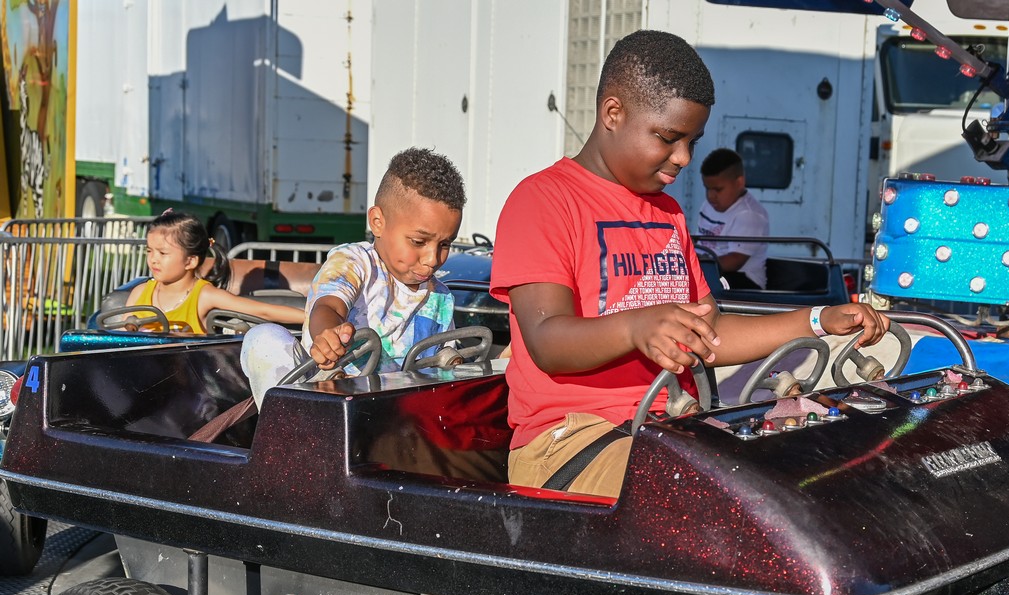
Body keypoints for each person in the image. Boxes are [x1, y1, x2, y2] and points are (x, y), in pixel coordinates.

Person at [490, 29, 889, 498]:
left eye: (692, 141)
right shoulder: (543, 199)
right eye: (667, 137)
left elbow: (710, 337)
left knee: (821, 464)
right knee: (724, 496)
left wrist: (818, 320)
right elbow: (546, 340)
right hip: (571, 442)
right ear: (613, 113)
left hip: (671, 428)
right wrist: (636, 327)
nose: (682, 158)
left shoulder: (667, 213)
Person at [241, 147, 465, 407]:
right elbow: (327, 306)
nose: (432, 258)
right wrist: (328, 333)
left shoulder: (440, 297)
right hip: (325, 400)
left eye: (445, 244)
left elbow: (444, 360)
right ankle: (288, 437)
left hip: (396, 415)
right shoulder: (354, 262)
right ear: (377, 222)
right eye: (418, 241)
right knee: (263, 339)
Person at [126, 210, 305, 334]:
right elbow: (120, 337)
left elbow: (263, 311)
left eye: (162, 253)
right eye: (149, 251)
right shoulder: (140, 292)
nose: (153, 259)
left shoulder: (204, 295)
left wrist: (315, 318)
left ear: (191, 260)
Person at [696, 147, 770, 289]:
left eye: (718, 189)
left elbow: (735, 261)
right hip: (708, 269)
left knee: (704, 286)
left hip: (744, 280)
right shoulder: (708, 205)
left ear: (739, 183)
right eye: (707, 188)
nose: (711, 196)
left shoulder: (749, 215)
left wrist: (697, 264)